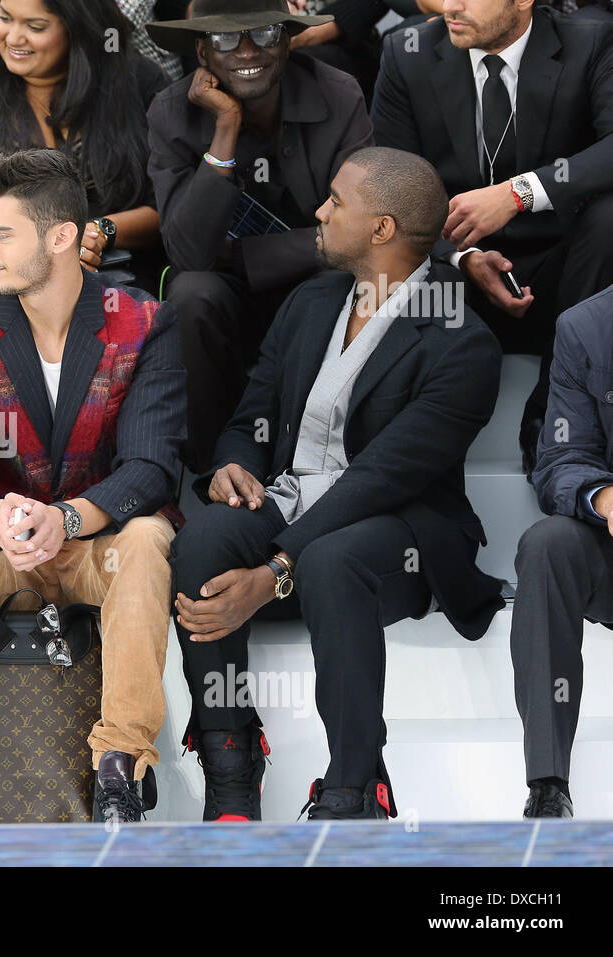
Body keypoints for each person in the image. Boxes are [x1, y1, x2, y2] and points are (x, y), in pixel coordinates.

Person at [169, 147, 503, 822]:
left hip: (398, 535)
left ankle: (354, 786)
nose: (319, 213)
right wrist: (233, 464)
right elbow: (251, 416)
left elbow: (382, 478)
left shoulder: (462, 342)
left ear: (382, 229)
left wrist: (275, 568)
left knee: (330, 556)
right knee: (203, 540)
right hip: (291, 503)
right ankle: (231, 756)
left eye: (336, 202)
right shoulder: (311, 300)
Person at [0, 149, 186, 825]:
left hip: (97, 541)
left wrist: (68, 519)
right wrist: (0, 516)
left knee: (147, 536)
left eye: (1, 234)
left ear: (60, 238)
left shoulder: (144, 322)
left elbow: (152, 468)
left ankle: (121, 768)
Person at [371, 0, 613, 476]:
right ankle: (408, 455)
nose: (450, 7)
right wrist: (462, 256)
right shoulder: (407, 51)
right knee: (382, 250)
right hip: (457, 273)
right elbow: (391, 183)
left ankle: (552, 418)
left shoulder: (591, 39)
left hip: (567, 270)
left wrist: (520, 192)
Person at [145, 0, 373, 471]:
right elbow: (189, 254)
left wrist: (245, 257)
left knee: (335, 289)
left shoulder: (337, 92)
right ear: (202, 52)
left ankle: (311, 470)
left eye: (266, 34)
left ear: (288, 40)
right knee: (190, 294)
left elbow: (358, 229)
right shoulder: (171, 113)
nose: (248, 50)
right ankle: (216, 472)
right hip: (232, 298)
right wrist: (225, 129)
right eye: (226, 38)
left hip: (318, 286)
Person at [0, 0, 169, 292]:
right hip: (4, 289)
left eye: (35, 27)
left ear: (78, 28)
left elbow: (170, 202)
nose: (13, 38)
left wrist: (98, 232)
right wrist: (35, 251)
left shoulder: (137, 84)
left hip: (125, 282)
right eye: (5, 18)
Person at [509, 283, 613, 819]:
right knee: (546, 544)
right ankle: (548, 787)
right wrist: (605, 498)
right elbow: (560, 459)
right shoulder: (585, 326)